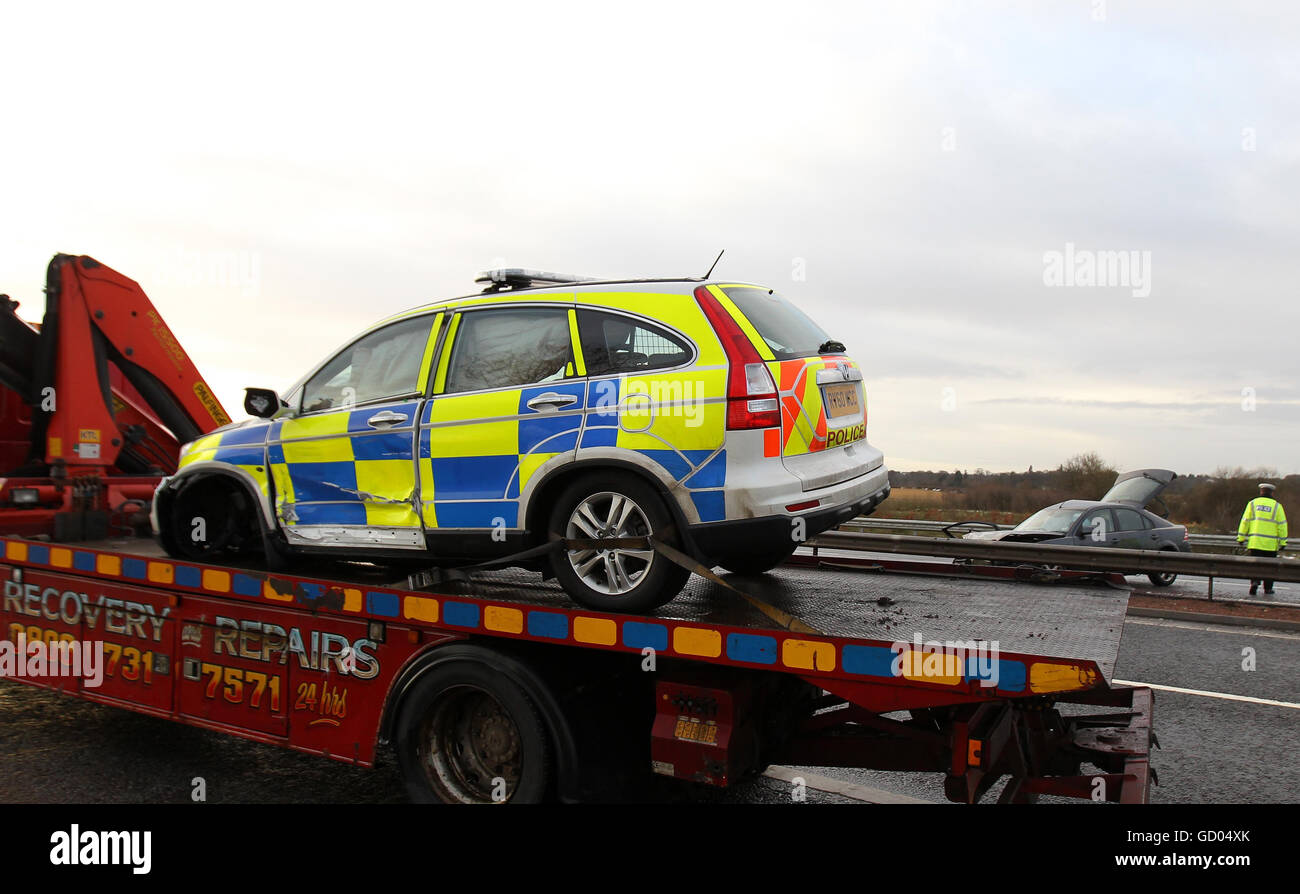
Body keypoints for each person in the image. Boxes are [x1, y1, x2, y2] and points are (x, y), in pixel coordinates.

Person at [1237, 482, 1288, 595]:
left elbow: (1245, 522)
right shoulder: (1277, 506)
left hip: (1255, 543)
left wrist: (1241, 538)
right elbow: (1282, 525)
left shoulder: (1252, 504)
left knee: (1255, 564)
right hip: (1270, 544)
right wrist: (1283, 541)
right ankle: (1268, 588)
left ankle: (1255, 582)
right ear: (1272, 493)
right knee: (1270, 567)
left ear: (1261, 491)